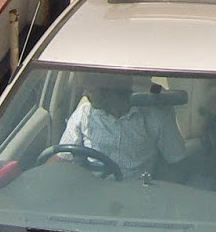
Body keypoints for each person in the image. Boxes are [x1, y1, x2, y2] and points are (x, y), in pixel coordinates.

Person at [56, 76, 190, 178]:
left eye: (90, 90)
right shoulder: (83, 114)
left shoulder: (155, 117)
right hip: (93, 193)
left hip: (139, 198)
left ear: (109, 92)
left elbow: (178, 164)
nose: (84, 94)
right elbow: (60, 159)